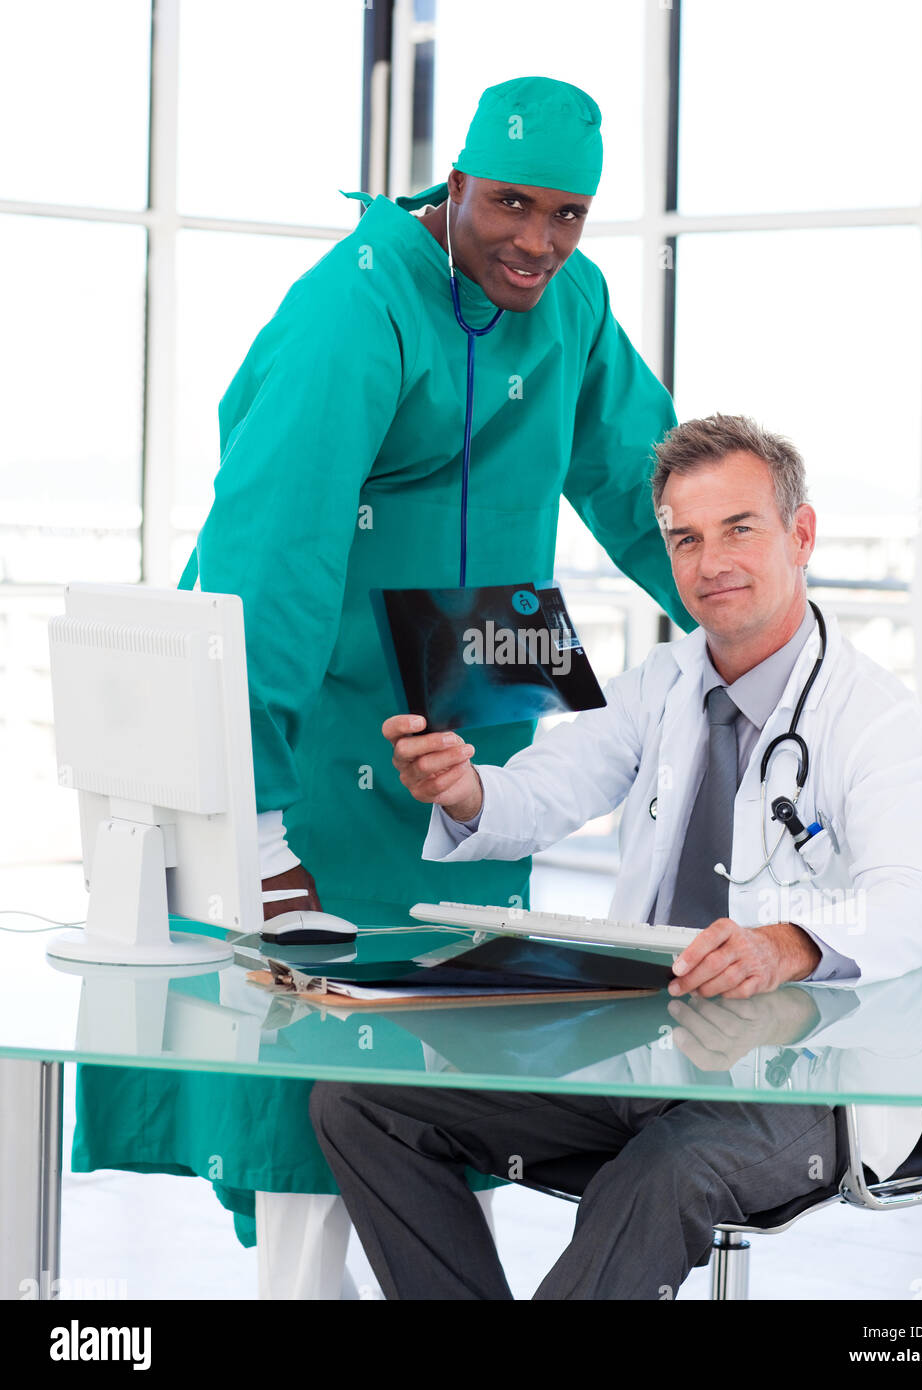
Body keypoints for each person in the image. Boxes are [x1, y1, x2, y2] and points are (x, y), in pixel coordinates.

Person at [71, 76, 693, 1298]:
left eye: (567, 213)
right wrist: (249, 806)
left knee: (461, 1035)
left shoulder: (572, 300)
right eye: (510, 203)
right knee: (316, 1038)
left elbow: (637, 474)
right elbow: (273, 553)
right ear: (450, 184)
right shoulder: (352, 309)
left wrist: (742, 611)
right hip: (318, 704)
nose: (537, 240)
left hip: (484, 684)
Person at [309, 412, 922, 1299]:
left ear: (800, 535)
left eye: (739, 529)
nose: (710, 561)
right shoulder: (662, 682)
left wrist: (787, 945)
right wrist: (465, 790)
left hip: (804, 1079)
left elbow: (913, 901)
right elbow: (549, 787)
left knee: (660, 1176)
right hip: (644, 1049)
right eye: (685, 539)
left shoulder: (876, 717)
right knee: (360, 1101)